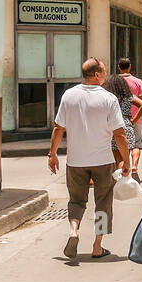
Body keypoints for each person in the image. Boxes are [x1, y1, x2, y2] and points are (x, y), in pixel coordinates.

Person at [48, 58, 130, 261]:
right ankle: (97, 245)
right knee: (103, 203)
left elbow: (59, 128)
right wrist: (126, 160)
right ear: (96, 75)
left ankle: (74, 231)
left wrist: (52, 154)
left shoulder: (69, 95)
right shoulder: (108, 99)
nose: (105, 73)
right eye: (103, 71)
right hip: (103, 161)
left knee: (76, 200)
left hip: (75, 161)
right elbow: (120, 134)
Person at [114, 57, 142, 178]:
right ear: (130, 67)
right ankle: (134, 167)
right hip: (135, 118)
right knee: (136, 144)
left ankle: (121, 169)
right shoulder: (137, 81)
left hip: (117, 119)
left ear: (118, 67)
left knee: (119, 145)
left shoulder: (114, 81)